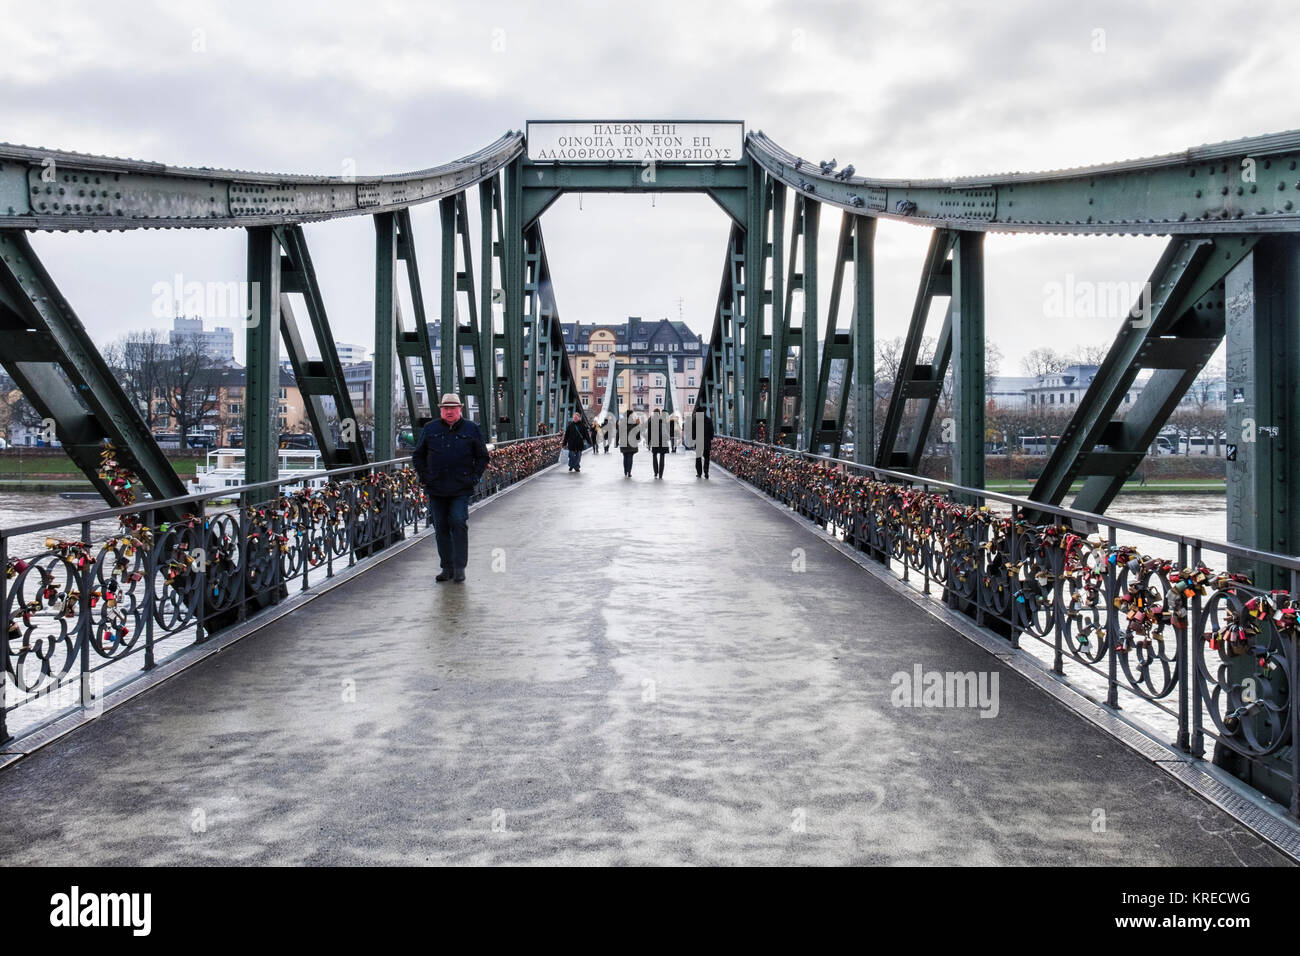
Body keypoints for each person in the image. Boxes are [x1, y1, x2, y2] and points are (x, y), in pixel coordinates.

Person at [411, 393, 489, 583]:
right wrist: (425, 476)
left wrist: (474, 477)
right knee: (440, 527)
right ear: (441, 410)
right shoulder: (430, 428)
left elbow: (482, 456)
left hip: (461, 487)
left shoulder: (472, 429)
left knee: (458, 522)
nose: (449, 411)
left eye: (453, 408)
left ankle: (459, 567)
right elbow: (418, 455)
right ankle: (446, 567)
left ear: (460, 409)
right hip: (436, 487)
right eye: (446, 408)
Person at [692, 406, 715, 479]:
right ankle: (706, 472)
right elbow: (712, 430)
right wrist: (711, 437)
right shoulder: (708, 420)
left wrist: (694, 437)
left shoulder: (695, 420)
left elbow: (693, 431)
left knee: (698, 457)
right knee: (707, 457)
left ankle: (699, 473)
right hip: (707, 441)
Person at [648, 407, 669, 479]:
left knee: (654, 455)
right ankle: (661, 474)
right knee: (662, 457)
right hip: (663, 440)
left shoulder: (651, 421)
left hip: (655, 440)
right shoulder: (663, 420)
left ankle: (655, 472)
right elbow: (667, 430)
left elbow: (649, 433)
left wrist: (649, 442)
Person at [619, 413, 640, 477]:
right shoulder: (634, 424)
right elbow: (637, 434)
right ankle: (629, 472)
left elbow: (619, 433)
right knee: (630, 456)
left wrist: (617, 441)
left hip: (623, 442)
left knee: (625, 456)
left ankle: (625, 471)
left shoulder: (622, 424)